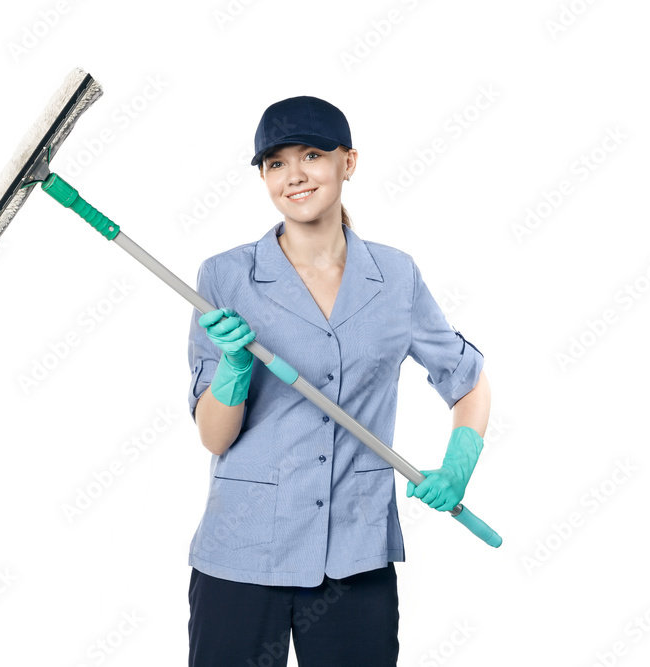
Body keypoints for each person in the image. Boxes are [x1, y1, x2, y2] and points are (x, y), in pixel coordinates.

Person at [185, 96, 492, 667]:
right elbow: (214, 437)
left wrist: (458, 464)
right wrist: (234, 367)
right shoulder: (226, 276)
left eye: (312, 156)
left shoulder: (395, 277)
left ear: (348, 162)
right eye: (275, 163)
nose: (294, 176)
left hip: (356, 554)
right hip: (244, 554)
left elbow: (466, 379)